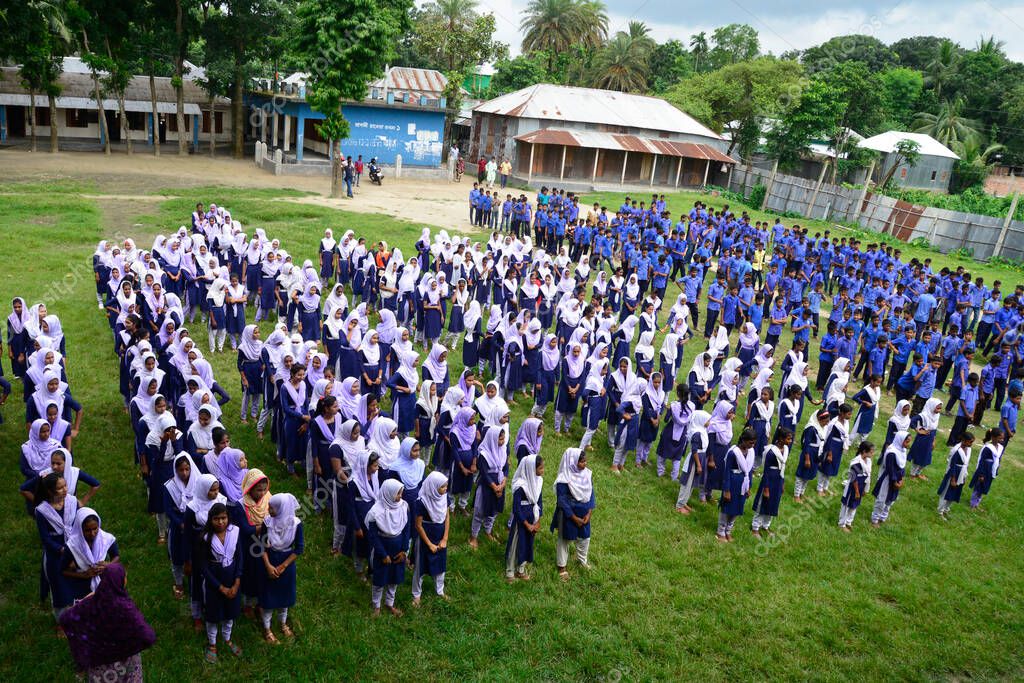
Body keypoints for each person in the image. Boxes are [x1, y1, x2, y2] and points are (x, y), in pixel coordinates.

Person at [59, 564, 156, 682]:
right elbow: (148, 636)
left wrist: (85, 600)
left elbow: (65, 618)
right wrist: (130, 646)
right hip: (124, 665)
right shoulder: (125, 607)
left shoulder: (91, 603)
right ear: (121, 580)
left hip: (99, 665)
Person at [200, 502, 244, 662]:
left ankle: (227, 638)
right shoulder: (206, 538)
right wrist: (220, 587)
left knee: (229, 612)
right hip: (214, 582)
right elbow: (204, 566)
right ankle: (212, 643)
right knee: (213, 613)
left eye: (224, 518)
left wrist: (237, 581)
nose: (220, 522)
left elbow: (239, 557)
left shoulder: (235, 532)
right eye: (216, 519)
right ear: (210, 520)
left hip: (232, 578)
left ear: (228, 518)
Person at [259, 493, 303, 644]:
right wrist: (268, 566)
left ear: (282, 508)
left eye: (272, 507)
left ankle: (283, 623)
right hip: (270, 561)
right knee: (269, 597)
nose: (268, 509)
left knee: (285, 597)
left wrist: (284, 566)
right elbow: (262, 546)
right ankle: (267, 628)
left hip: (287, 563)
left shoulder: (296, 524)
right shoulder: (267, 522)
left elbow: (299, 548)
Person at [366, 478, 410, 616]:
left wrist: (404, 550)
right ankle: (376, 605)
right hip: (383, 548)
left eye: (401, 493)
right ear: (388, 493)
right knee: (379, 579)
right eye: (397, 493)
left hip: (398, 549)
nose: (400, 496)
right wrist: (383, 554)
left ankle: (390, 603)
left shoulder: (403, 507)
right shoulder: (376, 512)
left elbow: (406, 529)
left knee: (394, 578)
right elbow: (373, 536)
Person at [550, 448, 594, 580]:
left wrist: (589, 512)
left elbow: (591, 493)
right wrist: (574, 518)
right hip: (569, 515)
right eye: (581, 462)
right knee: (564, 539)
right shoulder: (564, 479)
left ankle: (582, 560)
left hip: (584, 513)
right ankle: (562, 567)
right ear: (572, 462)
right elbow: (562, 501)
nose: (584, 464)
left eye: (585, 461)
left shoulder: (587, 475)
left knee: (585, 538)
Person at [412, 471, 450, 605]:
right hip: (426, 537)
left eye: (446, 486)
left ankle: (440, 590)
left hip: (440, 536)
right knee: (420, 566)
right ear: (433, 487)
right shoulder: (422, 502)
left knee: (440, 564)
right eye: (442, 487)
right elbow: (418, 525)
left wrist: (444, 538)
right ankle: (416, 594)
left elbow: (446, 517)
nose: (445, 489)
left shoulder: (444, 497)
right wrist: (429, 544)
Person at [505, 454, 544, 582]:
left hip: (532, 518)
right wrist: (526, 524)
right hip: (521, 520)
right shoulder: (520, 486)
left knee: (527, 543)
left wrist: (537, 521)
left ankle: (521, 568)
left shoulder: (538, 482)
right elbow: (516, 508)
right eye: (540, 468)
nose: (542, 471)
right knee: (516, 543)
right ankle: (510, 570)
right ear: (531, 469)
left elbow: (539, 502)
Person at [750, 428, 793, 536]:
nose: (790, 441)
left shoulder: (786, 449)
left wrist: (782, 483)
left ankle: (766, 525)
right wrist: (766, 488)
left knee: (774, 502)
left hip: (778, 479)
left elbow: (782, 467)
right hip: (769, 480)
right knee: (763, 502)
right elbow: (767, 470)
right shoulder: (771, 452)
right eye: (788, 439)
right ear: (781, 439)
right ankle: (755, 527)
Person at [716, 428, 756, 542]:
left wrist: (748, 487)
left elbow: (750, 470)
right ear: (743, 440)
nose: (752, 445)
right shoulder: (733, 452)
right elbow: (727, 471)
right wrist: (726, 490)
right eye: (750, 442)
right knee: (727, 507)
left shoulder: (751, 452)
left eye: (754, 443)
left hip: (743, 483)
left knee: (738, 507)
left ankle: (728, 530)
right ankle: (720, 531)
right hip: (733, 482)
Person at [870, 431, 909, 526]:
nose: (908, 444)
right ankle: (875, 518)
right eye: (906, 441)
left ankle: (883, 517)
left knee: (891, 499)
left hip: (898, 478)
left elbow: (902, 466)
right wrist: (895, 481)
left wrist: (902, 479)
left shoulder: (903, 451)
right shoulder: (892, 452)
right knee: (882, 499)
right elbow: (890, 468)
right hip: (889, 479)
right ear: (900, 440)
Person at [837, 442, 874, 531]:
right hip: (853, 487)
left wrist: (865, 489)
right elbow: (854, 478)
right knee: (847, 504)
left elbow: (868, 476)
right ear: (864, 451)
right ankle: (842, 524)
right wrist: (857, 491)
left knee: (854, 505)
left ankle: (849, 522)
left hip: (861, 486)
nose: (873, 453)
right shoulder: (856, 462)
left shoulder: (868, 461)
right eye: (871, 451)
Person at [937, 431, 974, 518]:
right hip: (953, 473)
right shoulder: (957, 450)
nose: (971, 444)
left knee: (954, 492)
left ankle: (946, 508)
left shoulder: (968, 450)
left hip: (961, 474)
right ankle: (940, 511)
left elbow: (966, 464)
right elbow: (952, 465)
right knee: (946, 491)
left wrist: (964, 475)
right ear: (964, 440)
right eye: (970, 442)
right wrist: (953, 479)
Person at [969, 428, 1004, 509]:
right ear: (993, 437)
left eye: (1002, 438)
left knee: (984, 487)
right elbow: (981, 461)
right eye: (1000, 438)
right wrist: (981, 474)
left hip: (991, 471)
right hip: (984, 470)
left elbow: (998, 459)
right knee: (978, 487)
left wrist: (996, 470)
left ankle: (977, 503)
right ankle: (973, 504)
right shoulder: (988, 448)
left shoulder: (1000, 447)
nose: (1002, 440)